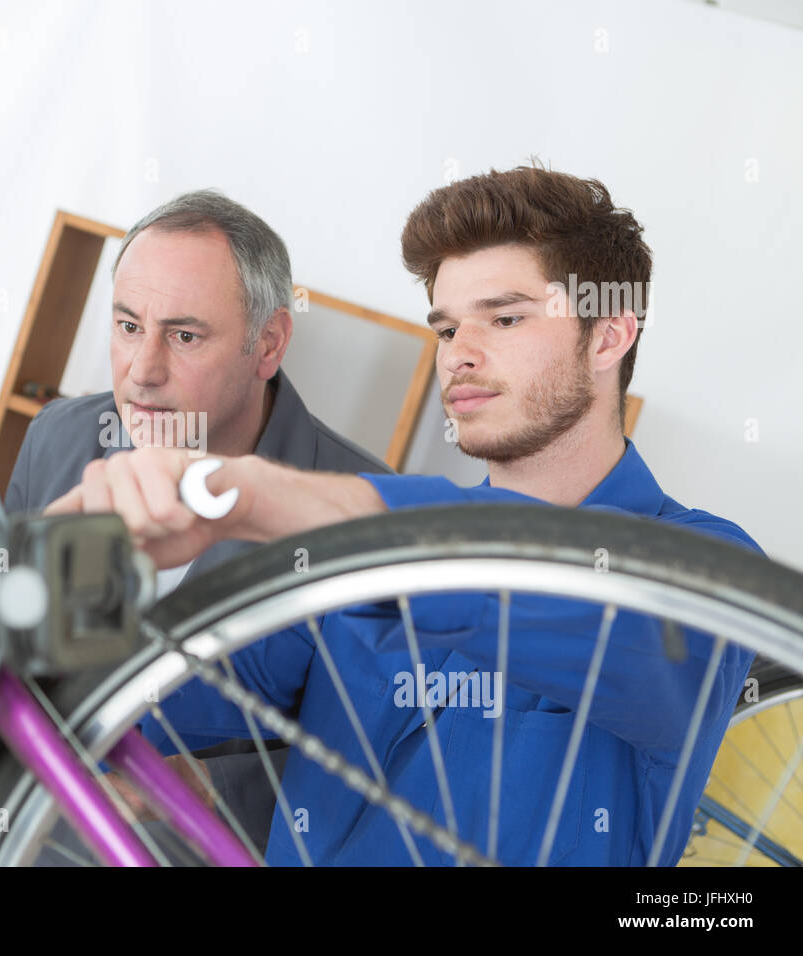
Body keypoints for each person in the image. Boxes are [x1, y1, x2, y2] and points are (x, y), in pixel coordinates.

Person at [46, 166, 762, 865]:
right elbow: (169, 693)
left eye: (505, 318)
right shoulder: (358, 561)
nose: (461, 357)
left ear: (608, 336)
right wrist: (29, 627)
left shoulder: (701, 565)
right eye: (448, 330)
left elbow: (585, 620)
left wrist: (253, 496)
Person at [5, 189, 389, 850]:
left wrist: (199, 785)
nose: (141, 373)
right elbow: (14, 644)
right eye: (128, 327)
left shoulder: (359, 505)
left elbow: (369, 759)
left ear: (268, 344)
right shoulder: (58, 436)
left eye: (184, 336)